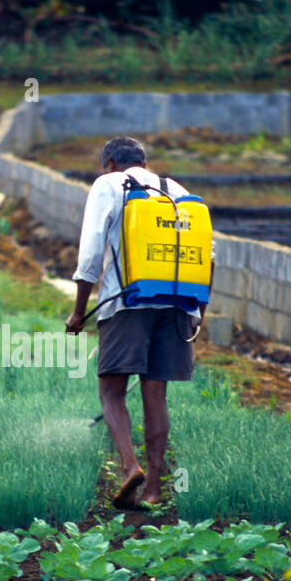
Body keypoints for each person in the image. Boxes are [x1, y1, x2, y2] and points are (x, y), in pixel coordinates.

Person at [65, 136, 214, 508]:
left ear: (110, 162)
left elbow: (91, 252)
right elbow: (207, 257)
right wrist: (198, 314)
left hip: (128, 303)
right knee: (155, 393)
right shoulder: (178, 191)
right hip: (178, 304)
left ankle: (130, 467)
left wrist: (79, 310)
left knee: (112, 391)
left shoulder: (109, 185)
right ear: (144, 162)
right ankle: (153, 490)